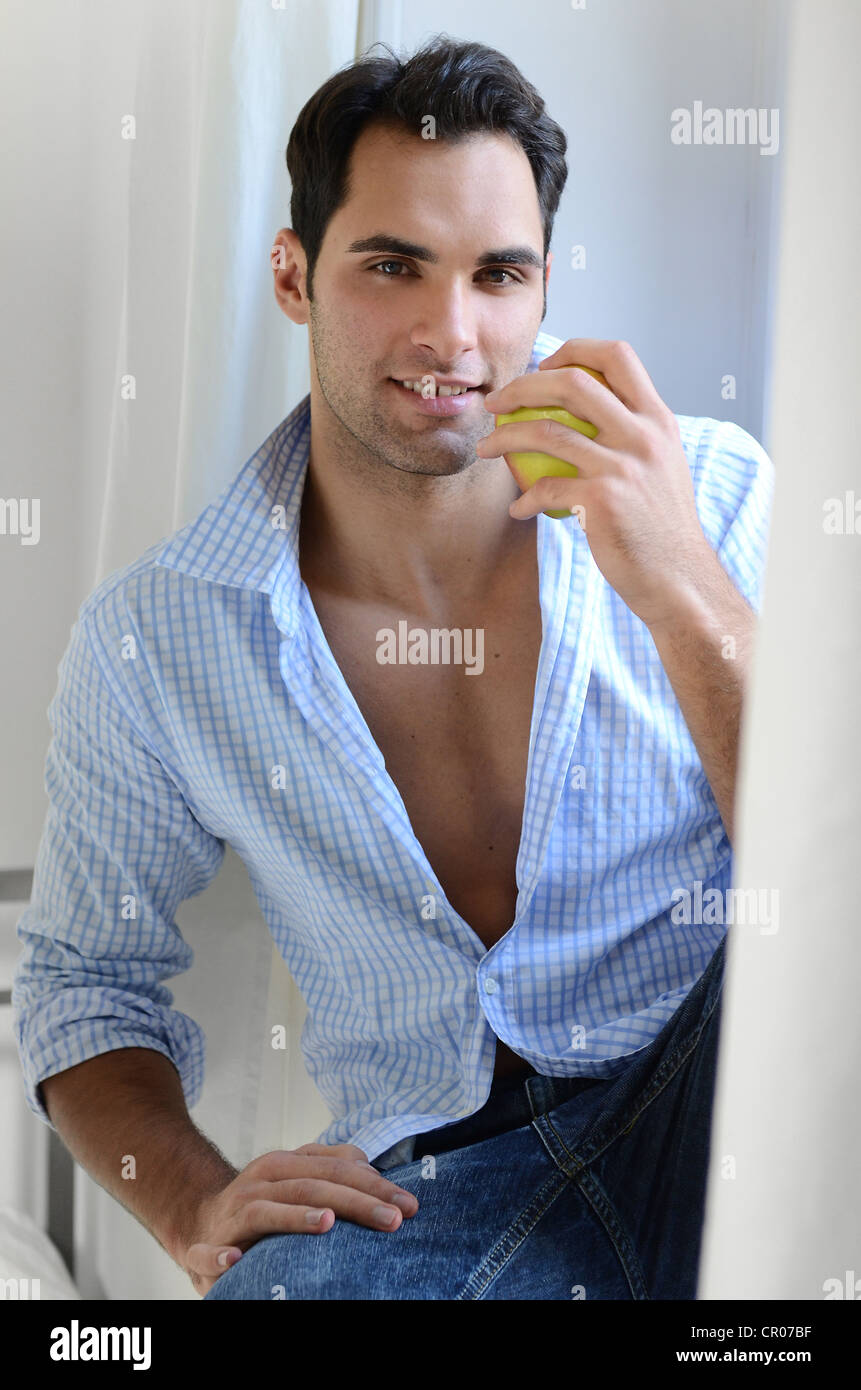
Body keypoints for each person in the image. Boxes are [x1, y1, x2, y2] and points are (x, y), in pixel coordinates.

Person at [12, 36, 773, 1300]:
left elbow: (837, 882)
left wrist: (680, 580)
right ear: (294, 274)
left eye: (499, 273)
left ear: (542, 288)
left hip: (726, 1088)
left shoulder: (718, 495)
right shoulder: (158, 639)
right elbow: (84, 986)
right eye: (394, 265)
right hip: (445, 1183)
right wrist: (195, 1200)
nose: (452, 333)